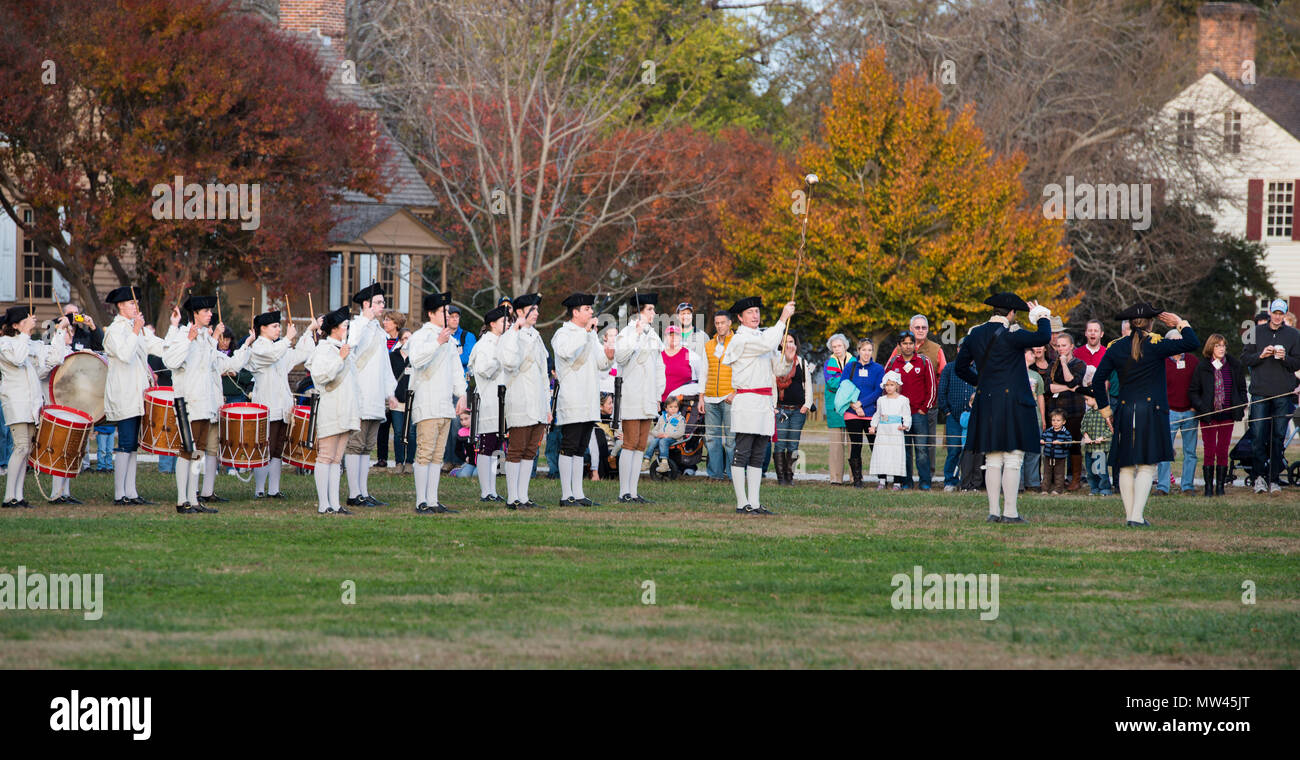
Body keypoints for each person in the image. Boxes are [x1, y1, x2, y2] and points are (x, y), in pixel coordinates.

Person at [1091, 304, 1199, 527]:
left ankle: (1131, 516)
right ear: (1151, 323)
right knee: (1147, 465)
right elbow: (1192, 343)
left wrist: (1106, 411)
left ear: (1129, 324)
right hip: (1151, 412)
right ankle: (1136, 517)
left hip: (1125, 409)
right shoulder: (1157, 344)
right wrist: (1179, 322)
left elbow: (1096, 380)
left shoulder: (1115, 347)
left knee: (1127, 466)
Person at [954, 292, 1053, 524]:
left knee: (993, 458)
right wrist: (1041, 315)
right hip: (1014, 402)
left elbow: (960, 368)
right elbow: (1044, 336)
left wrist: (980, 382)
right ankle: (1010, 513)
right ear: (1011, 313)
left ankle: (993, 512)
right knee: (1013, 458)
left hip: (986, 400)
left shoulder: (974, 334)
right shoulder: (1013, 334)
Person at [163, 295, 252, 514]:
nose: (210, 314)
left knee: (198, 452)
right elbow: (170, 362)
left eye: (210, 311)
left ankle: (193, 499)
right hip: (189, 402)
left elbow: (221, 364)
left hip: (204, 403)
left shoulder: (206, 338)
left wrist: (242, 346)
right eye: (206, 311)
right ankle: (181, 500)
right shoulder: (185, 334)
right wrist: (188, 340)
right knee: (187, 450)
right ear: (195, 314)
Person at [721, 296, 795, 515]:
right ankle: (741, 502)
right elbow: (767, 343)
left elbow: (778, 370)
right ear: (740, 318)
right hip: (746, 400)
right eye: (751, 312)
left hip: (764, 402)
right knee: (742, 451)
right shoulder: (741, 339)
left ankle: (754, 502)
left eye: (757, 311)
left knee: (758, 453)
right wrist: (782, 318)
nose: (755, 315)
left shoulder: (763, 337)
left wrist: (788, 360)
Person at [103, 285, 176, 506]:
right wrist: (136, 330)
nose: (136, 307)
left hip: (138, 394)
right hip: (124, 393)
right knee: (125, 442)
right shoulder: (115, 330)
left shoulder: (139, 329)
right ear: (121, 306)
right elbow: (124, 354)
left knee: (132, 444)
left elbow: (162, 347)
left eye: (136, 303)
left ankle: (131, 492)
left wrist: (173, 327)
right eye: (132, 303)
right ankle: (119, 494)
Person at [1, 307, 71, 507]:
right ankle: (9, 497)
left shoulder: (30, 344)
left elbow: (52, 360)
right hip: (16, 402)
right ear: (15, 325)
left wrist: (59, 332)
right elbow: (17, 359)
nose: (31, 324)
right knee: (21, 447)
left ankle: (19, 496)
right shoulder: (5, 343)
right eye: (25, 320)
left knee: (28, 449)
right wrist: (24, 334)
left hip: (32, 405)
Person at [552, 293, 616, 507]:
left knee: (580, 448)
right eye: (587, 308)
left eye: (591, 308)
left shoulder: (589, 334)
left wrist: (608, 355)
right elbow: (565, 353)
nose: (591, 311)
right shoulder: (563, 333)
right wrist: (586, 333)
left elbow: (600, 364)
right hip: (572, 398)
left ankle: (578, 493)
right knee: (569, 446)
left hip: (589, 398)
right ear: (576, 312)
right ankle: (565, 494)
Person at [247, 309, 318, 499]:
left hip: (282, 406)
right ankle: (260, 489)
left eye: (279, 326)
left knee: (278, 449)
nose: (278, 329)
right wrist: (287, 339)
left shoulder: (279, 347)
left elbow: (300, 354)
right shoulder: (258, 348)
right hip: (266, 406)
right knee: (265, 449)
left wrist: (309, 331)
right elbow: (272, 355)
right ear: (262, 328)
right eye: (275, 326)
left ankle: (274, 490)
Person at [408, 291, 467, 514]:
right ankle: (421, 501)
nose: (447, 314)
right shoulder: (422, 335)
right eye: (443, 311)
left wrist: (461, 394)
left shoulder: (450, 340)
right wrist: (436, 342)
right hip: (428, 403)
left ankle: (432, 500)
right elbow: (416, 360)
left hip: (444, 404)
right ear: (432, 313)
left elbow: (456, 371)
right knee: (424, 452)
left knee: (437, 456)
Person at [343, 283, 398, 508]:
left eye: (383, 302)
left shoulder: (377, 330)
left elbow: (385, 365)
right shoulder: (356, 325)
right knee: (355, 445)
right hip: (359, 394)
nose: (382, 306)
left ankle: (364, 492)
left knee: (367, 446)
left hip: (375, 396)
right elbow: (351, 345)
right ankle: (354, 493)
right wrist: (364, 319)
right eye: (378, 302)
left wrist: (390, 392)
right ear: (366, 304)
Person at [1241, 298, 1300, 494]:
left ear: (1284, 315)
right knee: (1257, 436)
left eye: (1280, 313)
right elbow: (1244, 358)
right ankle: (1258, 477)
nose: (1277, 316)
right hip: (1260, 393)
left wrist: (1285, 358)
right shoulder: (1254, 332)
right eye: (1274, 312)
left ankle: (1273, 478)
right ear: (1270, 313)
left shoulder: (1294, 335)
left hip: (1283, 393)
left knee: (1278, 436)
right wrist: (1261, 355)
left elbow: (1296, 364)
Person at [306, 307, 360, 514]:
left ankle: (335, 504)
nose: (347, 329)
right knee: (325, 456)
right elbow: (320, 376)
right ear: (334, 329)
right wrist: (340, 358)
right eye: (344, 326)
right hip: (330, 407)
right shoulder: (324, 349)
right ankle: (323, 504)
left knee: (337, 459)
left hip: (346, 408)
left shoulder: (343, 348)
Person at [614, 292, 665, 503]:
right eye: (650, 309)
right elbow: (620, 357)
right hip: (632, 394)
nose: (654, 313)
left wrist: (659, 393)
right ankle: (623, 491)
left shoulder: (653, 335)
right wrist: (635, 335)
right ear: (639, 311)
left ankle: (633, 491)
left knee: (641, 444)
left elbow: (659, 365)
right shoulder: (626, 332)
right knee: (630, 442)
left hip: (648, 396)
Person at [499, 294, 549, 509]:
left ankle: (524, 496)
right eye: (532, 309)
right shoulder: (509, 336)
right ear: (519, 312)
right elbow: (509, 362)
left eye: (537, 309)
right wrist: (515, 332)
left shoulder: (537, 336)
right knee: (516, 449)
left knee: (530, 451)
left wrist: (547, 406)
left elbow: (544, 374)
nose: (536, 313)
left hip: (537, 400)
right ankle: (512, 498)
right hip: (519, 397)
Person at [1188, 333, 1246, 497]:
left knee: (1222, 450)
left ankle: (1220, 487)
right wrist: (1202, 407)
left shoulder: (1234, 365)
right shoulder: (1203, 367)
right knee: (1209, 451)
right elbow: (1193, 392)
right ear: (1211, 348)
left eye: (1223, 345)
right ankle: (1208, 488)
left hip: (1227, 415)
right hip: (1209, 416)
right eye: (1217, 345)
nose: (1221, 349)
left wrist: (1241, 404)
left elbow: (1242, 389)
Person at [883, 332, 936, 490]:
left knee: (921, 450)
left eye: (910, 343)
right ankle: (906, 482)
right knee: (903, 450)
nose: (908, 346)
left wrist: (924, 408)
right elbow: (885, 385)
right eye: (904, 343)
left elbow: (932, 387)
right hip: (899, 416)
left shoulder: (923, 361)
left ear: (915, 345)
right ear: (899, 345)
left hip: (918, 413)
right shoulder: (894, 362)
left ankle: (925, 482)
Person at [467, 305, 509, 502]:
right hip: (489, 400)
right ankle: (486, 491)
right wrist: (501, 358)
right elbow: (485, 370)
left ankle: (492, 490)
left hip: (501, 401)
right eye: (503, 321)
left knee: (496, 446)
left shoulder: (502, 342)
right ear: (493, 324)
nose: (507, 324)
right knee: (487, 445)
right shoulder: (486, 344)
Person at [1156, 329, 1199, 495]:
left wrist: (1196, 405)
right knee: (1165, 450)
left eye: (1181, 340)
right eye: (1174, 340)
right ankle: (1163, 487)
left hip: (1190, 411)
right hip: (1169, 412)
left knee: (1190, 452)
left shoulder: (1193, 361)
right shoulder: (1161, 362)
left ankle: (1187, 485)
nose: (1178, 343)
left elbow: (1199, 384)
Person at [838, 338, 884, 488]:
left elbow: (878, 390)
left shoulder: (878, 369)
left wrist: (861, 404)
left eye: (869, 350)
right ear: (858, 351)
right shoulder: (850, 367)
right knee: (856, 445)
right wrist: (854, 406)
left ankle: (882, 479)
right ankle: (857, 479)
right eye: (864, 350)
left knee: (874, 445)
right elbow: (843, 387)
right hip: (852, 413)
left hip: (871, 413)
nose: (866, 353)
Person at [1046, 332, 1087, 491]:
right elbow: (1050, 387)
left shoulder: (1079, 364)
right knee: (1056, 445)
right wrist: (1069, 388)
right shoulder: (1052, 365)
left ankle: (1075, 479)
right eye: (1058, 346)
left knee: (1074, 444)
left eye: (1064, 346)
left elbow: (1072, 380)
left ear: (1071, 347)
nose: (1060, 349)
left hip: (1074, 410)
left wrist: (1064, 364)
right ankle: (1057, 480)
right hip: (1056, 410)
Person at [700, 311, 736, 481]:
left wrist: (735, 392)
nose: (720, 326)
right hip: (710, 399)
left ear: (730, 323)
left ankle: (731, 474)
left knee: (731, 440)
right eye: (717, 323)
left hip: (729, 398)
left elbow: (742, 370)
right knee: (712, 440)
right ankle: (715, 475)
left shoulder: (737, 343)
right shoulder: (708, 345)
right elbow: (703, 372)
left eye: (723, 322)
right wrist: (701, 396)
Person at [773, 333, 813, 485]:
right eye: (785, 342)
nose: (789, 345)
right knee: (780, 443)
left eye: (791, 342)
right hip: (781, 409)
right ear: (780, 344)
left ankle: (789, 477)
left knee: (793, 444)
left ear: (796, 344)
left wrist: (806, 405)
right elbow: (771, 386)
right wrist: (773, 407)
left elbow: (807, 386)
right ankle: (780, 478)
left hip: (798, 410)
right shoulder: (776, 362)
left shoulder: (802, 363)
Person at [937, 350, 975, 492]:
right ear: (959, 350)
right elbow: (942, 391)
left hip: (973, 417)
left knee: (971, 451)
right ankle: (950, 480)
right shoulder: (950, 368)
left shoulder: (979, 368)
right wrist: (946, 411)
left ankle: (969, 480)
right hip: (953, 416)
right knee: (953, 450)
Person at [868, 371, 910, 490]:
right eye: (887, 385)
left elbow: (907, 415)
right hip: (883, 432)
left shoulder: (903, 400)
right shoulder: (881, 400)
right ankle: (882, 480)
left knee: (896, 455)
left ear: (897, 385)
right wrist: (873, 426)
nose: (889, 388)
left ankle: (897, 482)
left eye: (891, 385)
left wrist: (905, 425)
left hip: (895, 431)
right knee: (882, 454)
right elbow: (877, 415)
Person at [376, 310, 406, 469]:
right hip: (381, 387)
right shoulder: (382, 339)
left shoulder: (402, 343)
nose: (384, 322)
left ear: (396, 323)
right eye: (384, 320)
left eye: (388, 320)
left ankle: (400, 460)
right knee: (383, 424)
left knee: (399, 427)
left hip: (398, 388)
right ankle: (382, 457)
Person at [822, 333, 851, 485]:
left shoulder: (854, 361)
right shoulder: (829, 363)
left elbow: (858, 381)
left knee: (854, 445)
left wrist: (842, 378)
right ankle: (836, 478)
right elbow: (832, 383)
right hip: (835, 409)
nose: (837, 349)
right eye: (834, 347)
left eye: (839, 346)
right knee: (836, 447)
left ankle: (855, 478)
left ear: (845, 346)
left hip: (853, 408)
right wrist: (848, 379)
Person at [1021, 347, 1047, 492]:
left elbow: (1041, 396)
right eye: (1031, 353)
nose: (1034, 355)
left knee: (1034, 451)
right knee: (1019, 451)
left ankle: (1032, 482)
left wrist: (1042, 417)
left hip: (1034, 417)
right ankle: (1018, 483)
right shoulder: (1014, 373)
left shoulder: (1036, 376)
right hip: (1019, 419)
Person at [389, 327, 414, 474]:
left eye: (410, 339)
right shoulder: (393, 357)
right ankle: (399, 461)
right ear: (400, 340)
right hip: (397, 400)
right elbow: (388, 377)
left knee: (411, 432)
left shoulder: (416, 357)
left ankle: (410, 461)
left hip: (412, 401)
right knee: (398, 432)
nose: (407, 342)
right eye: (404, 338)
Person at [1079, 392, 1112, 496]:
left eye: (1087, 399)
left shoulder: (1106, 413)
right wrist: (1086, 436)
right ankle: (1094, 488)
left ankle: (1105, 489)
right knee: (1090, 469)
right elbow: (1083, 426)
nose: (1086, 402)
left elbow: (1110, 429)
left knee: (1100, 469)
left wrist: (1102, 437)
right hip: (1089, 447)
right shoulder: (1088, 413)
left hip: (1100, 448)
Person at [660, 325, 702, 399]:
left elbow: (702, 377)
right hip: (662, 402)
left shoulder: (688, 354)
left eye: (676, 335)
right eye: (670, 335)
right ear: (665, 337)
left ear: (680, 337)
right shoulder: (659, 356)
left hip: (684, 403)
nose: (673, 338)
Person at [645, 397, 686, 472]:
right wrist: (658, 434)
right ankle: (646, 461)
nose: (673, 409)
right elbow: (654, 430)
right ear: (666, 408)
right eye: (671, 407)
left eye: (675, 407)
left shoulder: (680, 418)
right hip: (661, 437)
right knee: (654, 441)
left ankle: (664, 463)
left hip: (673, 438)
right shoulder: (661, 418)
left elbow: (681, 432)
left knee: (663, 441)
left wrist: (668, 435)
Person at [1039, 409, 1072, 494]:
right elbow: (1043, 438)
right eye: (1053, 420)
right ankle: (1045, 489)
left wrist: (1061, 443)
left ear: (1063, 422)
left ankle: (1058, 489)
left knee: (1059, 474)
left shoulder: (1066, 433)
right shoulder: (1048, 431)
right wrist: (1042, 441)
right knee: (1047, 473)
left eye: (1058, 420)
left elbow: (1069, 444)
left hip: (1060, 458)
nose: (1055, 422)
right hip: (1048, 456)